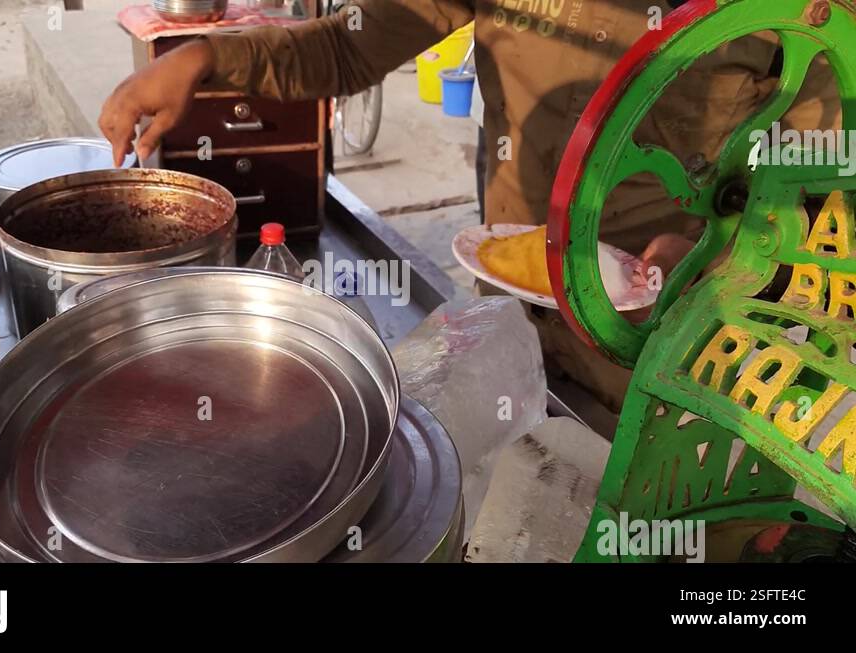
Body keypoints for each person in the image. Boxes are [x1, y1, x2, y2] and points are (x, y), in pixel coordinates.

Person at [99, 0, 840, 412]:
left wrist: (724, 257)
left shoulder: (795, 15)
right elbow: (351, 47)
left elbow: (822, 185)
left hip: (667, 363)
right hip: (512, 329)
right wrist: (202, 58)